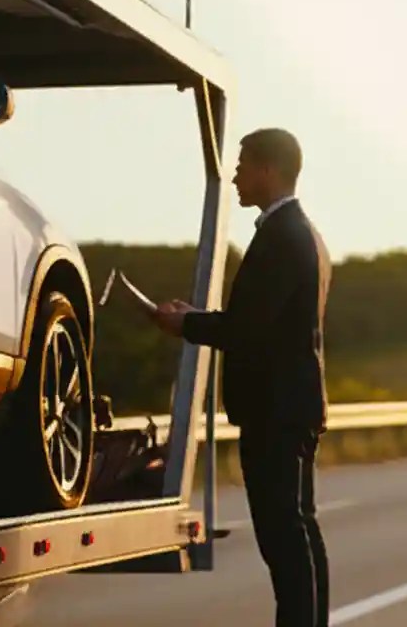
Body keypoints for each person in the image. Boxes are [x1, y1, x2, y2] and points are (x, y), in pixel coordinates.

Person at [150, 127, 332, 627]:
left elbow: (248, 329)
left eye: (243, 164)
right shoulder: (304, 233)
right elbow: (262, 321)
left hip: (276, 414)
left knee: (284, 539)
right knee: (299, 534)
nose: (234, 175)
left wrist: (184, 323)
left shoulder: (283, 236)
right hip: (291, 408)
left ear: (269, 170)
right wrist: (196, 316)